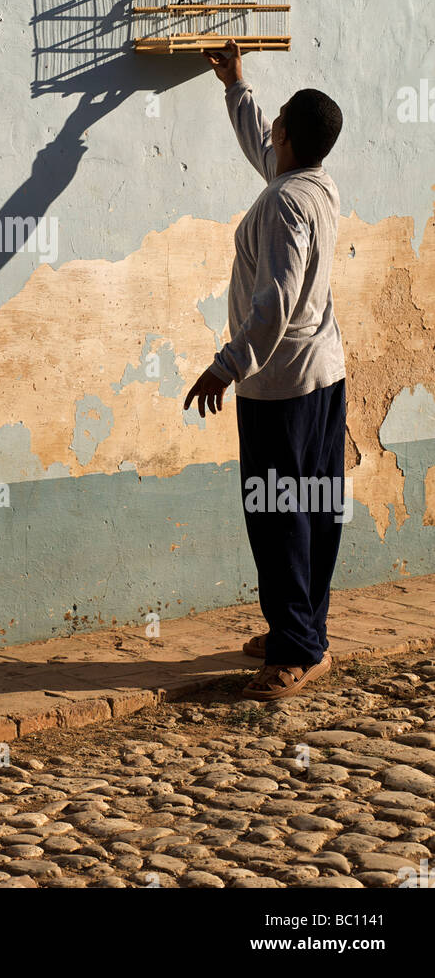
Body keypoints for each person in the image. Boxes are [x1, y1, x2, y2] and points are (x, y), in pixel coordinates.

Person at [184, 39, 346, 701]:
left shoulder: (283, 203)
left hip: (279, 384)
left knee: (279, 514)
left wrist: (225, 366)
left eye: (273, 120)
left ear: (287, 134)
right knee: (312, 506)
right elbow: (264, 150)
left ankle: (294, 650)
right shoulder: (311, 184)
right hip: (320, 374)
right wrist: (234, 84)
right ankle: (303, 631)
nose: (268, 129)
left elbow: (272, 303)